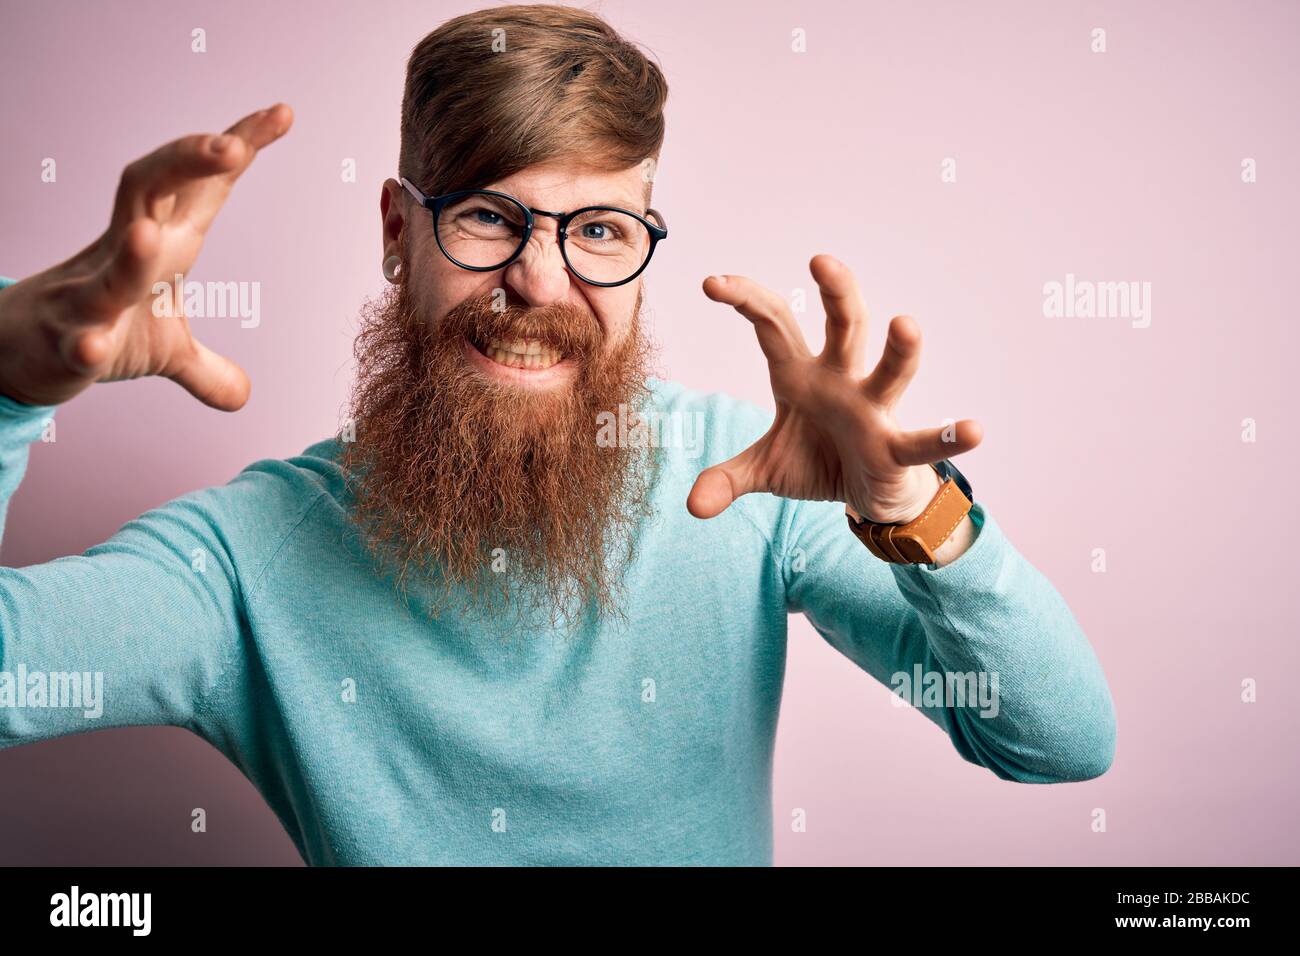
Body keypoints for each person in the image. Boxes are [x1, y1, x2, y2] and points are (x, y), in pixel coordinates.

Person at [0, 4, 1114, 866]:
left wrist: (908, 512)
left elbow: (1057, 741)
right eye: (486, 214)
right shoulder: (248, 559)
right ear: (400, 231)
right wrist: (8, 387)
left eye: (598, 229)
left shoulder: (747, 483)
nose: (539, 281)